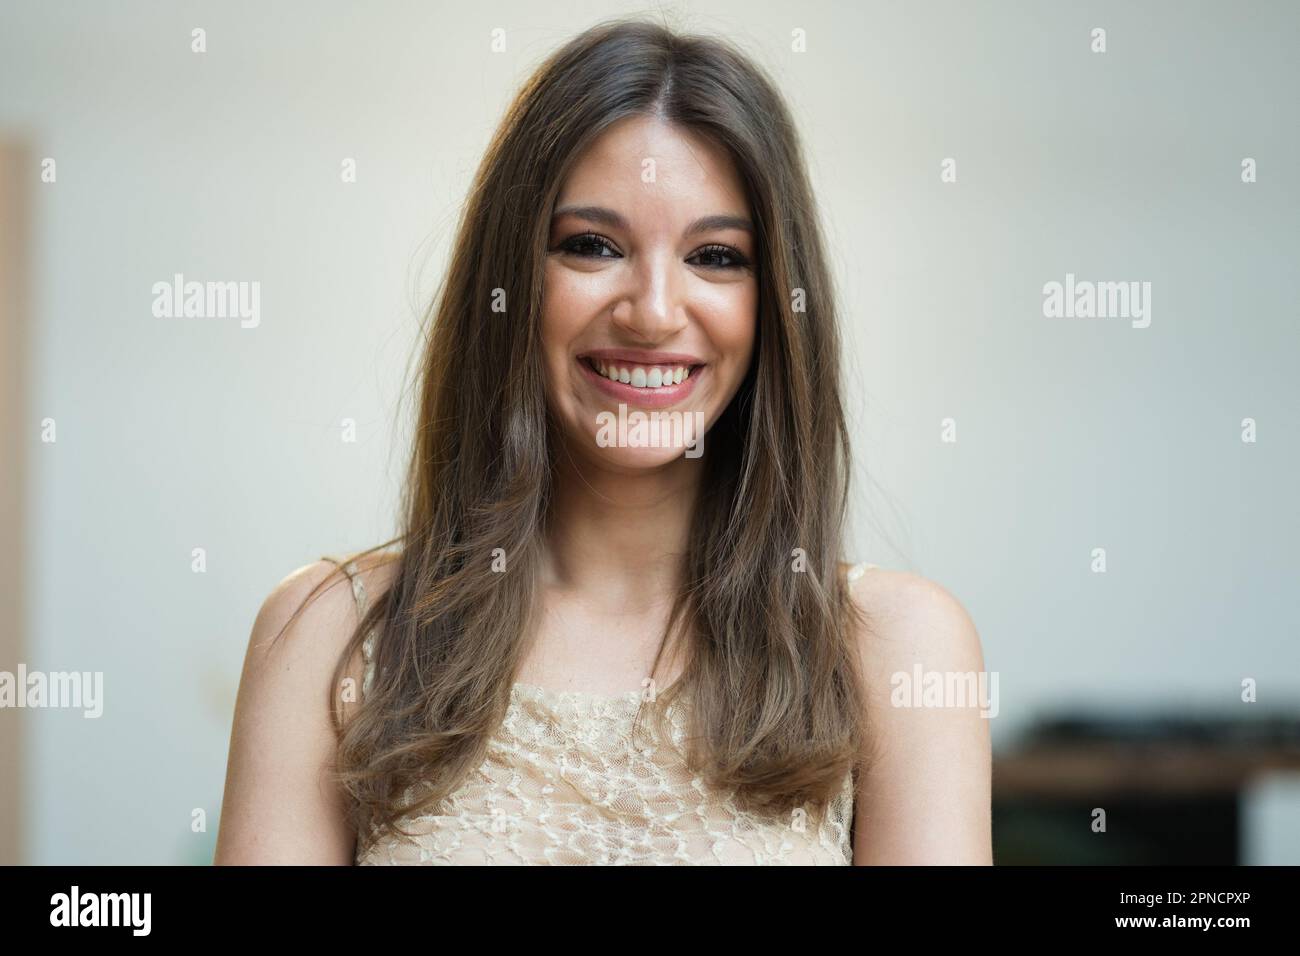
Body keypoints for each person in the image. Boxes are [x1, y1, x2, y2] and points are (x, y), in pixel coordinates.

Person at [214, 17, 991, 866]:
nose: (654, 312)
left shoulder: (897, 647)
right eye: (593, 246)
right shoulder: (330, 636)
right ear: (510, 282)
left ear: (775, 302)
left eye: (717, 256)